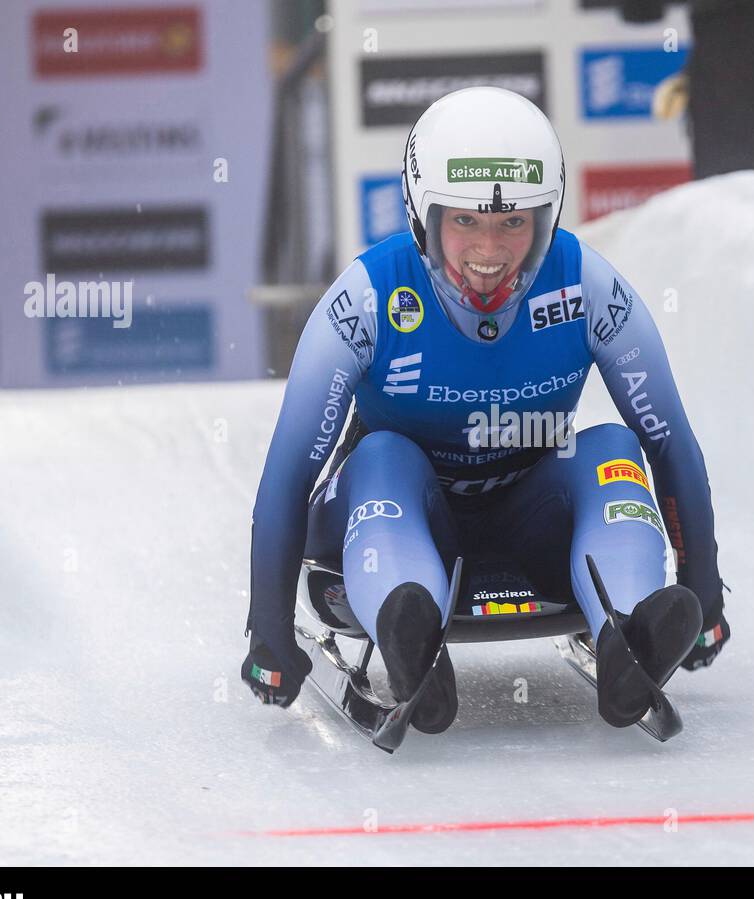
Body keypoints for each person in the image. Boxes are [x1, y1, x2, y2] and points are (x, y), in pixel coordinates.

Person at [242, 87, 729, 734]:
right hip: (395, 511)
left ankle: (629, 638)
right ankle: (408, 637)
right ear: (424, 216)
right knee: (382, 454)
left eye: (512, 222)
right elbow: (289, 471)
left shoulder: (587, 285)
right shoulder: (363, 299)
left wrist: (704, 586)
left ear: (545, 222)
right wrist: (269, 626)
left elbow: (666, 438)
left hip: (531, 518)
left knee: (611, 446)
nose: (489, 250)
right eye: (465, 221)